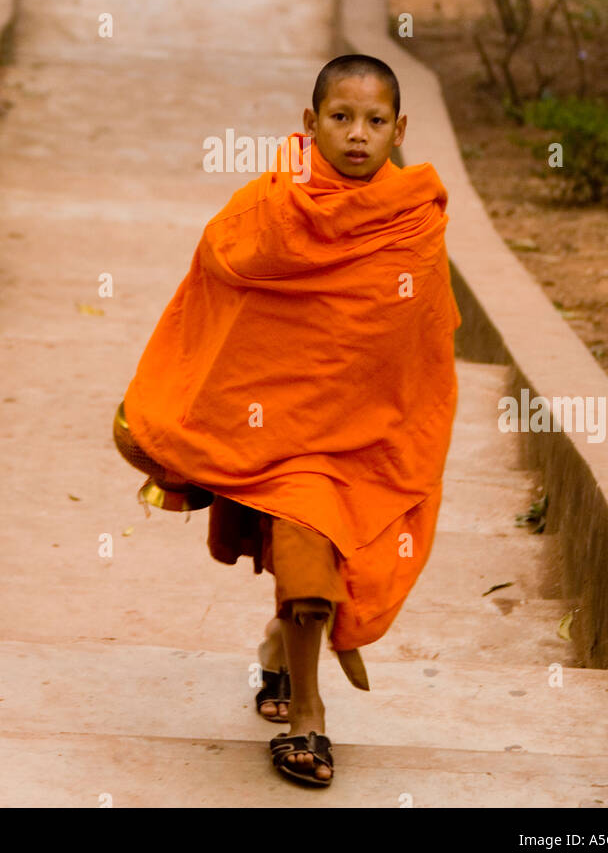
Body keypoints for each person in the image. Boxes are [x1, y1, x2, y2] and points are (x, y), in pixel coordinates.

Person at [120, 54, 460, 788]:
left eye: (375, 121)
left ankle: (279, 650)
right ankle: (309, 716)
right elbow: (219, 271)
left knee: (320, 578)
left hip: (367, 439)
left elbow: (421, 345)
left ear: (400, 129)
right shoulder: (273, 209)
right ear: (310, 125)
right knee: (308, 566)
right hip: (286, 437)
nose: (359, 135)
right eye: (341, 118)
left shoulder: (413, 223)